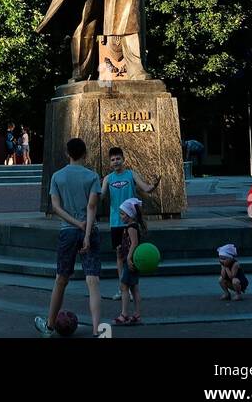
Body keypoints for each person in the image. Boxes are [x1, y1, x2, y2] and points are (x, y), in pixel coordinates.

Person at [34, 137, 105, 338]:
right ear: (85, 154)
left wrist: (75, 223)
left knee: (61, 279)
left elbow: (56, 207)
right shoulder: (92, 177)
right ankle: (97, 329)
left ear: (67, 154)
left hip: (67, 231)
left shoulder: (57, 177)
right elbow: (92, 207)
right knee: (93, 281)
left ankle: (48, 327)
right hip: (90, 230)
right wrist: (87, 232)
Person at [100, 146, 160, 285]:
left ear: (124, 159)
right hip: (116, 222)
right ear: (110, 162)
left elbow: (146, 188)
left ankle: (132, 286)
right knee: (119, 255)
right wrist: (93, 191)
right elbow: (101, 196)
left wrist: (154, 184)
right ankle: (122, 287)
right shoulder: (108, 179)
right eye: (113, 160)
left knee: (132, 254)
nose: (116, 162)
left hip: (131, 222)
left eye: (118, 159)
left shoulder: (131, 174)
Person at [116, 197, 146, 326]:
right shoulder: (133, 226)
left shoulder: (131, 227)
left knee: (124, 287)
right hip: (134, 260)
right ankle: (137, 314)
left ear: (130, 214)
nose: (121, 216)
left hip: (131, 261)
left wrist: (128, 258)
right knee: (134, 288)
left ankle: (124, 314)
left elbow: (134, 243)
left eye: (123, 214)